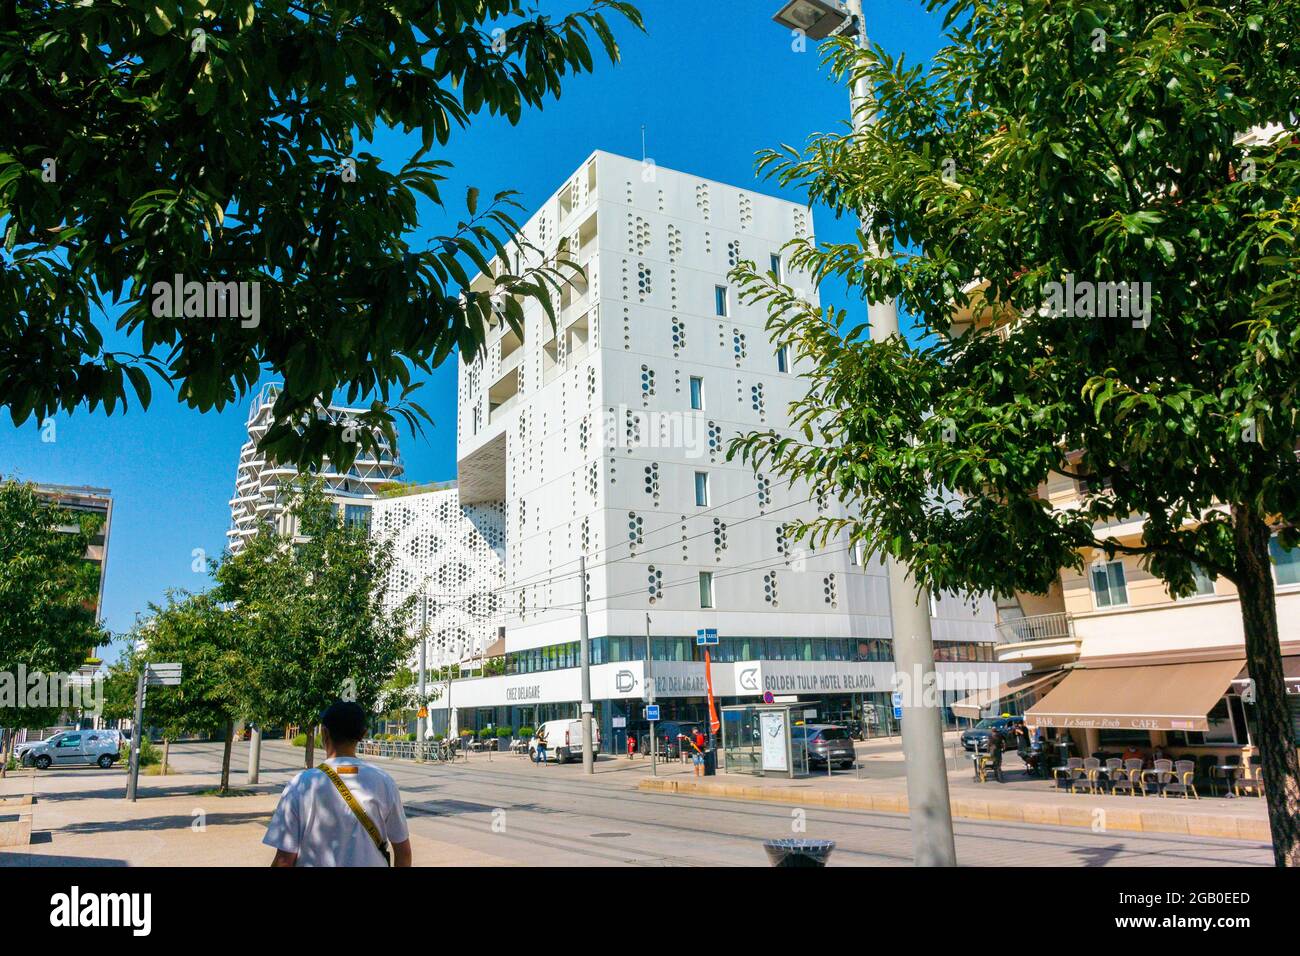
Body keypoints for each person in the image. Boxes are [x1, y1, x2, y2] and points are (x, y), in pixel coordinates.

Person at [264, 701, 412, 867]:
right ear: (362, 735)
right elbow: (403, 854)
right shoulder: (384, 782)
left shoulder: (300, 785)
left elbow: (284, 861)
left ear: (324, 733)